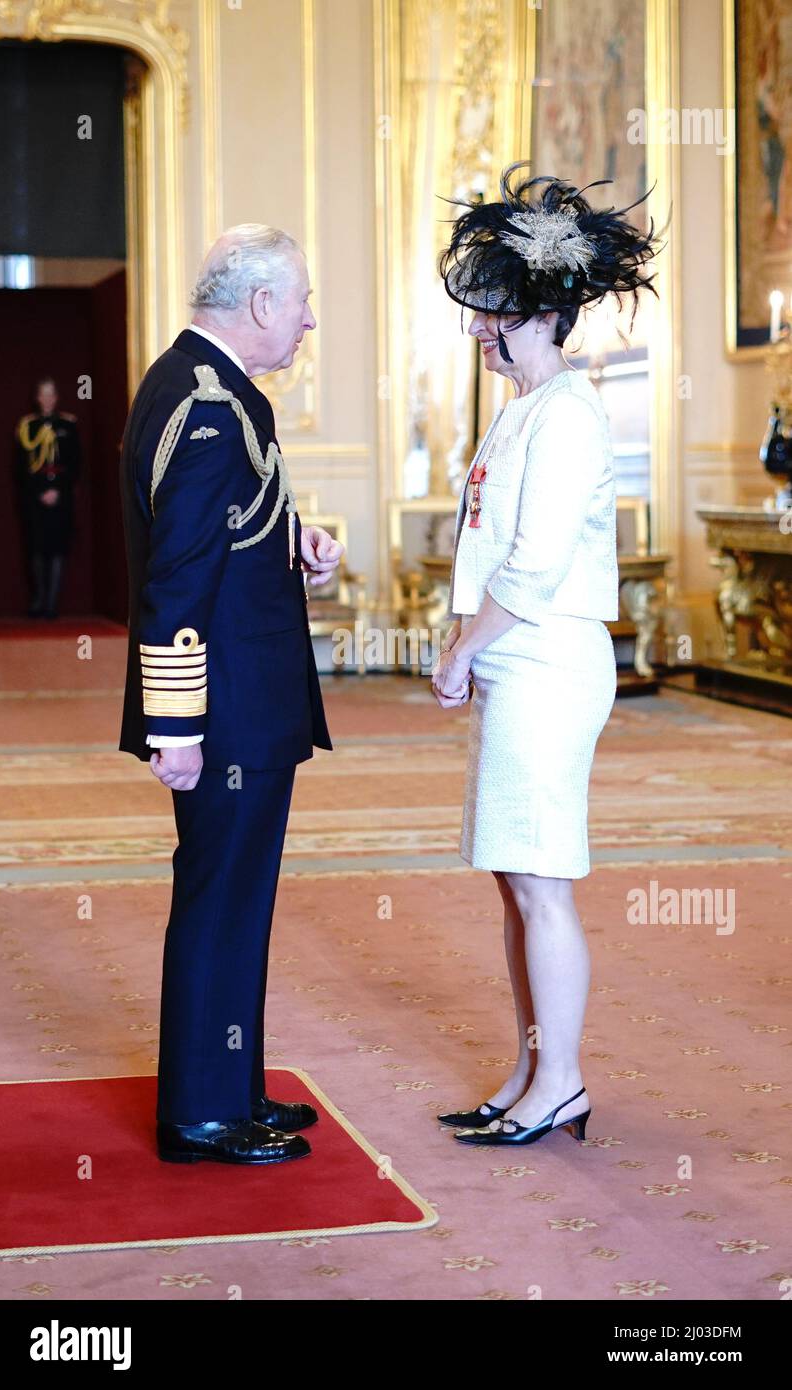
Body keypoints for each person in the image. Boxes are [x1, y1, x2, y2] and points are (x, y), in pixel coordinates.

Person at [432, 164, 662, 1148]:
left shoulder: (565, 411)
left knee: (540, 882)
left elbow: (529, 567)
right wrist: (473, 649)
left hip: (547, 663)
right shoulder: (522, 405)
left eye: (484, 307)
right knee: (514, 880)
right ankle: (528, 1069)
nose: (472, 325)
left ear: (529, 308)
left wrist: (457, 650)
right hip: (516, 666)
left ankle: (559, 1081)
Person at [119, 224, 344, 1166]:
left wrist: (299, 536)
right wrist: (175, 724)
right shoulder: (212, 408)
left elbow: (227, 527)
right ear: (258, 305)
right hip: (226, 716)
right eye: (299, 304)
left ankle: (233, 1084)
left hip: (241, 706)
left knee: (239, 902)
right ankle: (202, 1114)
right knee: (221, 903)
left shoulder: (202, 386)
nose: (307, 321)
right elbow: (178, 580)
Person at [15, 376, 81, 619]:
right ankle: (39, 601)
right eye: (43, 394)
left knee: (57, 548)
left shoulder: (68, 425)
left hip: (61, 496)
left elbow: (75, 465)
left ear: (56, 397)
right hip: (35, 497)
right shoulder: (27, 427)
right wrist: (39, 492)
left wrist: (58, 490)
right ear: (37, 398)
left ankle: (51, 604)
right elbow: (21, 467)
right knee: (36, 548)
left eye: (51, 394)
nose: (47, 399)